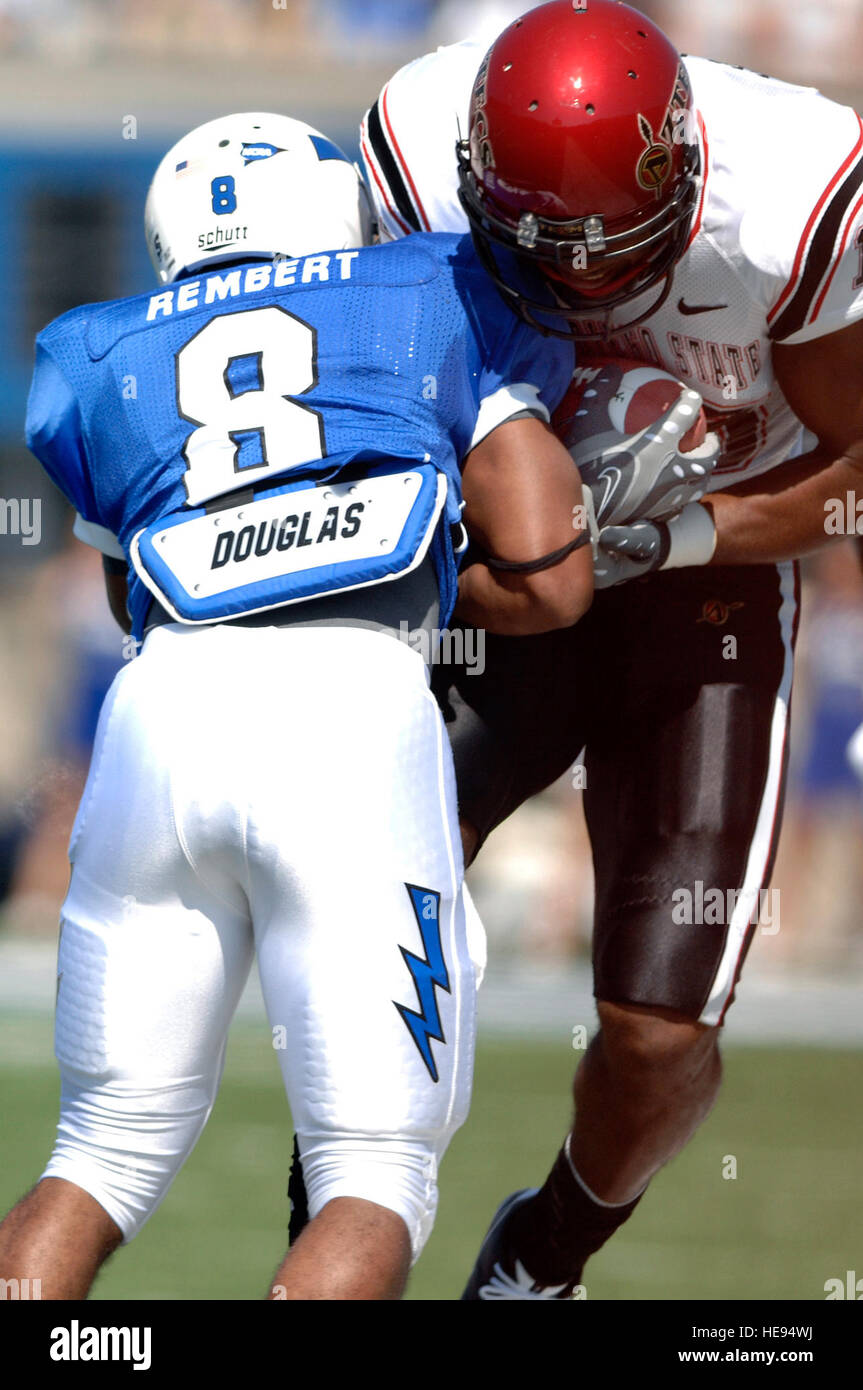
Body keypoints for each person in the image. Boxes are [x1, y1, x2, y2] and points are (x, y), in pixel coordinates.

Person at [0, 111, 596, 1301]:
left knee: (99, 1153)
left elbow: (134, 589)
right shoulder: (434, 287)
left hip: (159, 714)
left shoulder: (93, 352)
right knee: (373, 1172)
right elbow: (548, 575)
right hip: (346, 708)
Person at [359, 0, 863, 1298]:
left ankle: (540, 1256)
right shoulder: (412, 144)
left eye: (616, 252)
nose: (584, 282)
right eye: (548, 257)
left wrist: (674, 536)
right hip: (501, 556)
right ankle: (341, 1190)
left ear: (687, 172)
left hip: (710, 579)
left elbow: (856, 477)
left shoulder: (793, 200)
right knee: (360, 895)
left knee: (651, 1030)